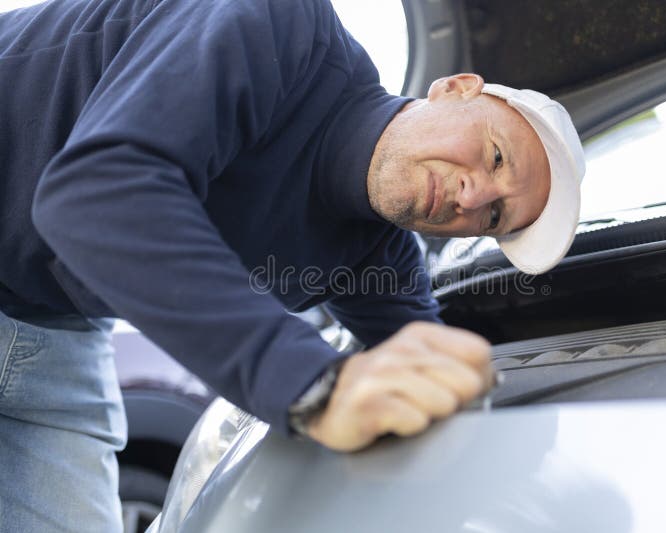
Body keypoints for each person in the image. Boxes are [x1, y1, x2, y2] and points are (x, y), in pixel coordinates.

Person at [0, 0, 584, 531]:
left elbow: (436, 369)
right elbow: (91, 195)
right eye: (496, 155)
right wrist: (314, 388)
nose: (473, 196)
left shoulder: (375, 252)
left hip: (53, 334)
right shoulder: (278, 24)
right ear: (456, 88)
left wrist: (530, 479)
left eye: (493, 218)